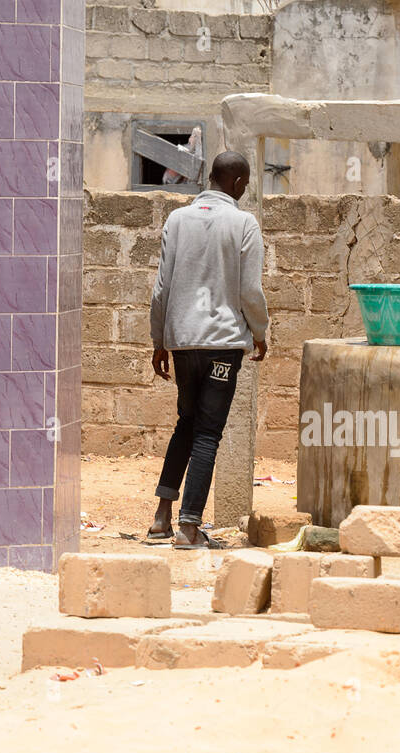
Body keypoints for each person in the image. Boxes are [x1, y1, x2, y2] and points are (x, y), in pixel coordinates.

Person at [146, 151, 269, 549]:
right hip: (222, 343)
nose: (245, 190)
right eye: (246, 184)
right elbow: (250, 290)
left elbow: (161, 288)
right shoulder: (244, 223)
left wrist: (159, 340)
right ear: (236, 183)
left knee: (187, 421)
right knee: (208, 433)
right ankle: (189, 528)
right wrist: (261, 330)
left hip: (182, 339)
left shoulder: (177, 219)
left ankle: (162, 518)